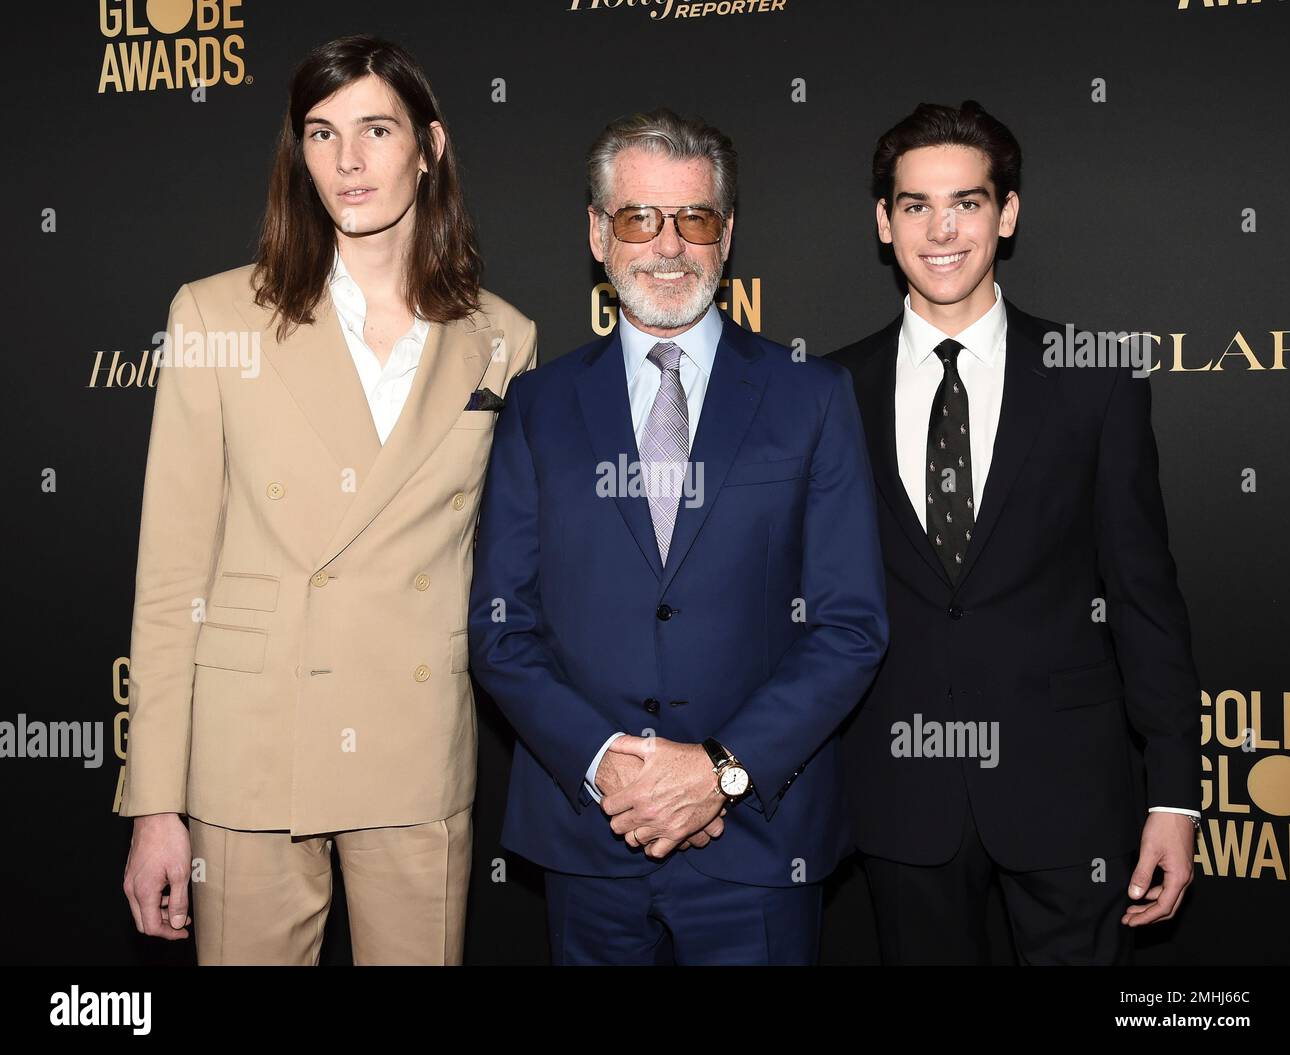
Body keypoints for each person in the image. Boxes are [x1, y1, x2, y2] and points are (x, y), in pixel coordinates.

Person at [119, 35, 536, 965]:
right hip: (253, 755)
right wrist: (156, 803)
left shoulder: (502, 338)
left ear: (428, 148)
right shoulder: (215, 318)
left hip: (414, 747)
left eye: (375, 129)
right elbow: (171, 578)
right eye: (320, 133)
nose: (347, 161)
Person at [469, 108, 888, 965]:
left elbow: (850, 625)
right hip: (591, 836)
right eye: (638, 217)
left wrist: (719, 772)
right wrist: (605, 766)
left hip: (761, 842)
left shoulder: (812, 398)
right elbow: (503, 628)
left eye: (694, 218)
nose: (668, 246)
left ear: (726, 234)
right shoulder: (538, 408)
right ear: (598, 234)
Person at [830, 100, 1201, 965]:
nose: (942, 228)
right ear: (885, 223)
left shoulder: (1094, 379)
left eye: (966, 200)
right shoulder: (828, 391)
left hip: (1070, 792)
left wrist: (1175, 795)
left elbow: (1146, 595)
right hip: (898, 793)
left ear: (1008, 211)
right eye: (915, 205)